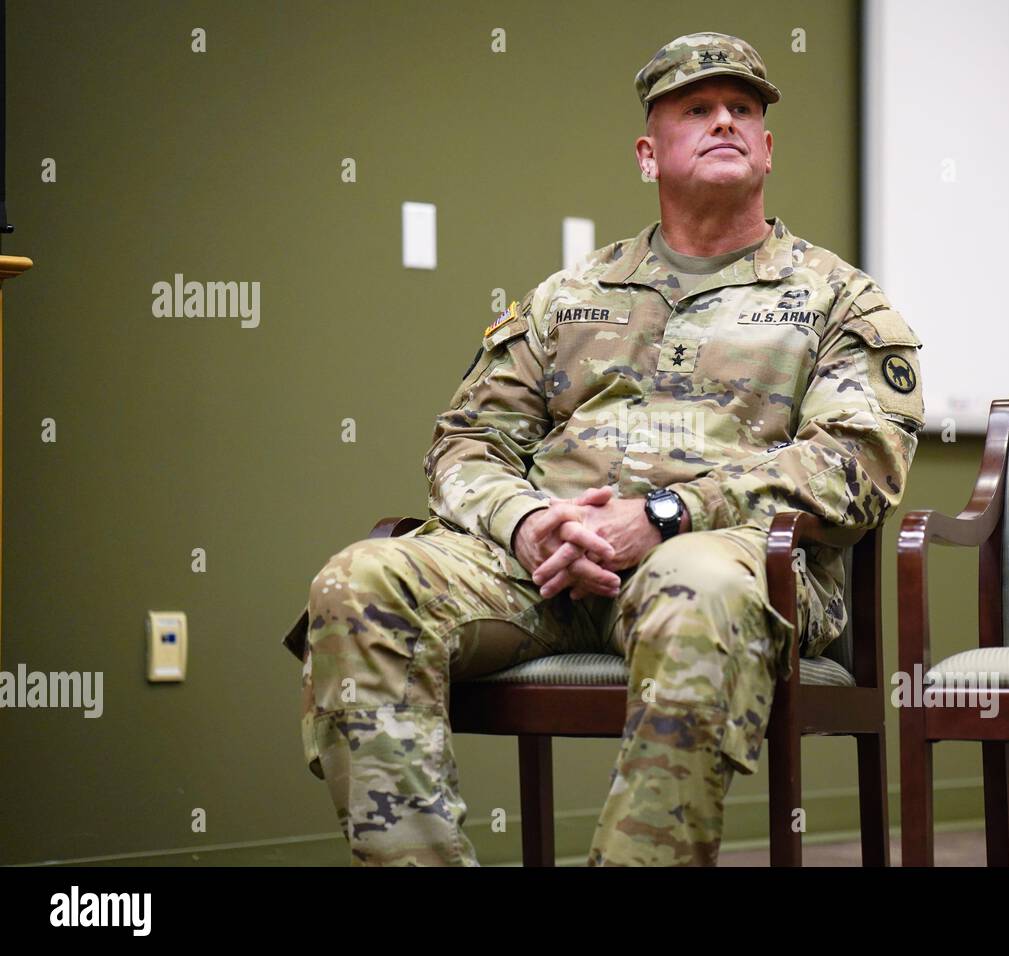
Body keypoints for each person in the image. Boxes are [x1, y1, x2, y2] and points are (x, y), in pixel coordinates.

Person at [286, 31, 925, 866]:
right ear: (647, 154)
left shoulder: (839, 299)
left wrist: (667, 514)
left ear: (768, 147)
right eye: (696, 109)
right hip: (548, 565)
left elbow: (857, 464)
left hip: (728, 562)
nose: (724, 121)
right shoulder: (570, 296)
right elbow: (467, 442)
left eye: (743, 110)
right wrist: (527, 524)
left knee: (696, 583)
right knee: (360, 580)